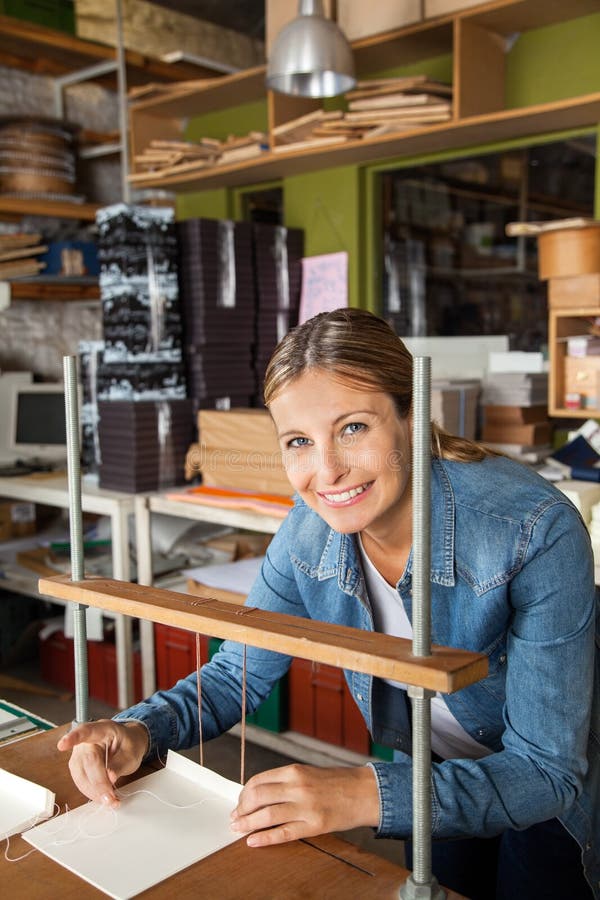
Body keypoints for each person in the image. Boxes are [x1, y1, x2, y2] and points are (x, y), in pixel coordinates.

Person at [58, 308, 599, 900]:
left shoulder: (533, 530)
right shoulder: (307, 533)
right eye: (299, 441)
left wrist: (361, 792)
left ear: (412, 418)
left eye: (353, 428)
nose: (328, 471)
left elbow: (547, 770)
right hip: (436, 768)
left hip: (553, 787)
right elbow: (235, 674)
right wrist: (139, 730)